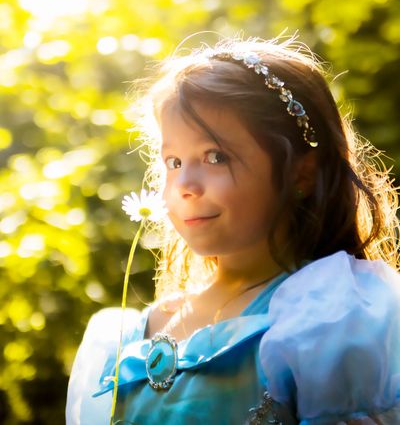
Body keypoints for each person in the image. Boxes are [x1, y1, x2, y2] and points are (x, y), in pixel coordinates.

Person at [66, 35, 400, 425]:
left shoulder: (333, 316)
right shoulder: (132, 331)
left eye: (215, 156)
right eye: (173, 162)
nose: (185, 185)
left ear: (302, 173)